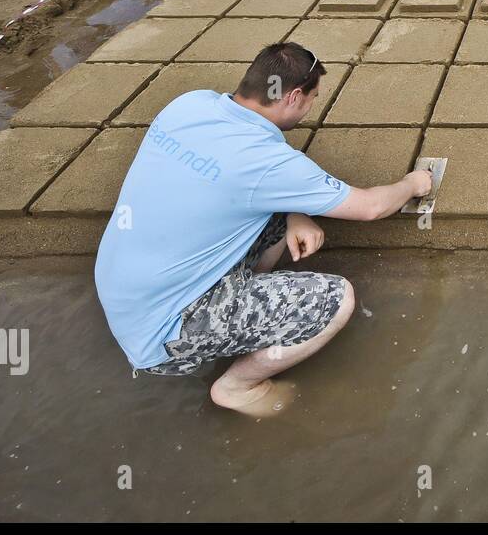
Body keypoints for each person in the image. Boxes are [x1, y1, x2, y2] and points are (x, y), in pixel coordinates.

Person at [94, 43, 434, 415]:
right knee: (335, 300)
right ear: (293, 96)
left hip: (126, 291)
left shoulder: (189, 105)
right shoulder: (270, 164)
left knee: (271, 213)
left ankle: (245, 318)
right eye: (312, 99)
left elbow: (238, 181)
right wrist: (412, 184)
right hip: (164, 332)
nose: (311, 107)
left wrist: (295, 212)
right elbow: (370, 207)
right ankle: (239, 387)